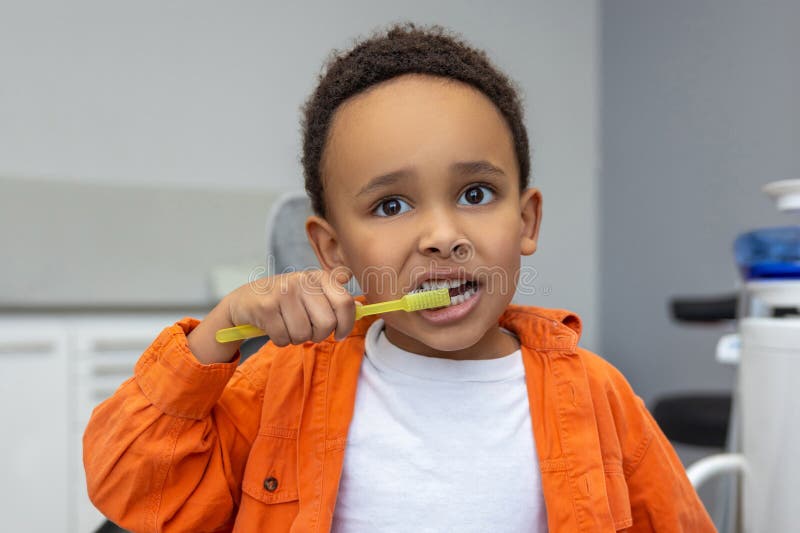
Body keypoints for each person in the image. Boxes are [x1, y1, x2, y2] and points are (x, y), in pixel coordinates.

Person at [83, 22, 715, 532]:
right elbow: (133, 489)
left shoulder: (599, 396)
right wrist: (220, 331)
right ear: (332, 252)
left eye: (475, 192)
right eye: (390, 205)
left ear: (526, 221)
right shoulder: (281, 384)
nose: (442, 234)